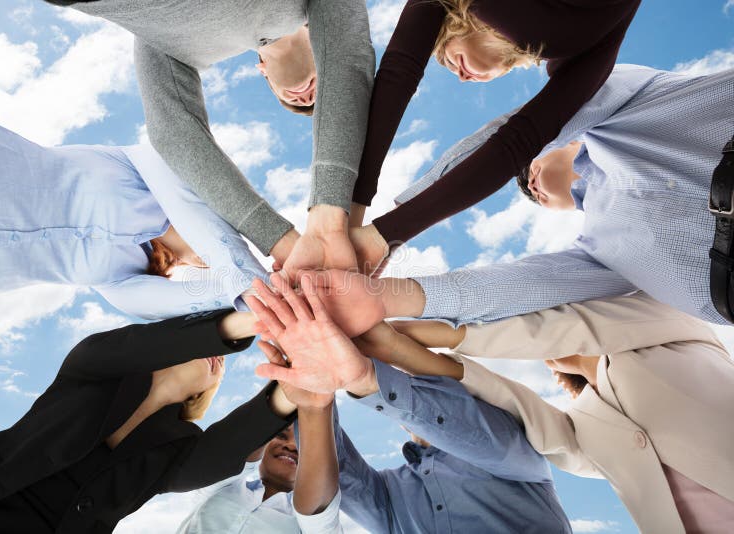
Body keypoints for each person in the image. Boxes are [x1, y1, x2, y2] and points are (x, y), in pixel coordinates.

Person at [304, 64, 734, 329]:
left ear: (561, 143)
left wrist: (387, 230)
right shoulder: (601, 253)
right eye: (532, 195)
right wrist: (383, 298)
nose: (530, 187)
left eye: (528, 172)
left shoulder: (628, 102)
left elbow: (510, 140)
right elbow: (510, 288)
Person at [45, 0, 375, 278]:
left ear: (264, 75)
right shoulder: (306, 9)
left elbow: (173, 133)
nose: (305, 98)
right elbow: (346, 56)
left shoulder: (173, 43)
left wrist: (282, 242)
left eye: (295, 102)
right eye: (319, 95)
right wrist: (329, 220)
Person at [0, 307, 322, 533]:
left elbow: (233, 443)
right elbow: (145, 343)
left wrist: (306, 366)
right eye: (217, 353)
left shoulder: (178, 449)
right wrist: (260, 319)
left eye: (221, 371)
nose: (219, 363)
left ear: (201, 394)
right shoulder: (90, 369)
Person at [245, 274, 573, 533]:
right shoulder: (393, 493)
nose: (399, 391)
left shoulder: (521, 461)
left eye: (410, 383)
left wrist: (365, 379)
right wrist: (311, 368)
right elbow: (337, 469)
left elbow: (471, 434)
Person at [388, 292, 734, 533]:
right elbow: (512, 403)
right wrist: (397, 349)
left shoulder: (677, 330)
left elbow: (570, 328)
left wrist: (439, 334)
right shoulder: (586, 426)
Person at [348, 0, 641, 272]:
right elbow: (517, 144)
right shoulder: (579, 52)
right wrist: (383, 237)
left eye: (450, 61)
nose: (462, 77)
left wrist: (348, 206)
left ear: (456, 21)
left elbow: (401, 69)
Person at [0, 99, 270, 320]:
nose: (209, 259)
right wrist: (253, 275)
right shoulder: (142, 162)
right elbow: (217, 244)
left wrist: (276, 292)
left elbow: (225, 293)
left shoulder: (124, 281)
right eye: (227, 226)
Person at [176, 421, 343, 533]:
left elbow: (319, 507)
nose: (291, 445)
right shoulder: (219, 489)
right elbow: (251, 434)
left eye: (302, 443)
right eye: (281, 435)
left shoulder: (313, 526)